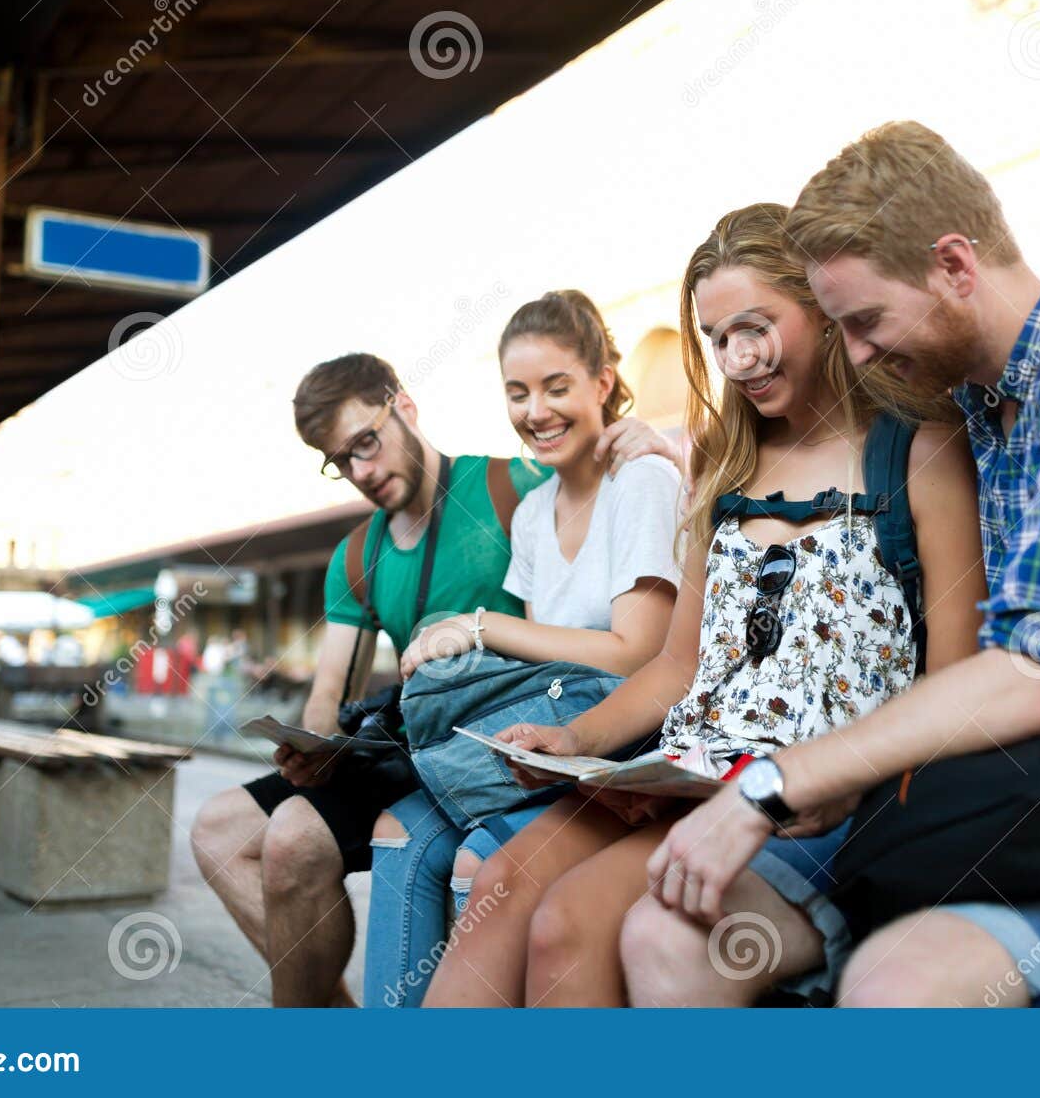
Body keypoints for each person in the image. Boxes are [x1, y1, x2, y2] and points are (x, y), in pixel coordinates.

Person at [643, 121, 1040, 1008]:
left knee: (898, 983)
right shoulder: (973, 397)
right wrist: (638, 447)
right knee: (670, 933)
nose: (860, 353)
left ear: (955, 265)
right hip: (1016, 798)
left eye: (867, 321)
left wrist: (771, 782)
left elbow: (1036, 674)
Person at [422, 204, 986, 1007]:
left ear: (823, 307)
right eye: (717, 337)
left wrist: (848, 782)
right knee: (502, 888)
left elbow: (955, 687)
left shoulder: (919, 450)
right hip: (684, 770)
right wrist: (572, 738)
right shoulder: (725, 467)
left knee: (567, 925)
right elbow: (677, 666)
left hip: (813, 801)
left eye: (756, 326)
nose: (738, 356)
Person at [189, 351, 675, 1007]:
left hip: (498, 734)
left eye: (367, 441)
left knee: (293, 837)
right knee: (217, 827)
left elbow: (592, 466)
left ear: (404, 406)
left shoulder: (514, 487)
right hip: (401, 744)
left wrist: (660, 443)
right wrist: (310, 744)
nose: (362, 471)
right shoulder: (358, 552)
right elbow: (332, 686)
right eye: (342, 459)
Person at [363, 290, 683, 1006]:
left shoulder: (643, 482)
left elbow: (638, 654)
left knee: (481, 860)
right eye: (518, 392)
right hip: (545, 738)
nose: (536, 410)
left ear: (603, 382)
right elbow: (545, 672)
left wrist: (482, 625)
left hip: (621, 744)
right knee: (397, 836)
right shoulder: (535, 513)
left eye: (556, 386)